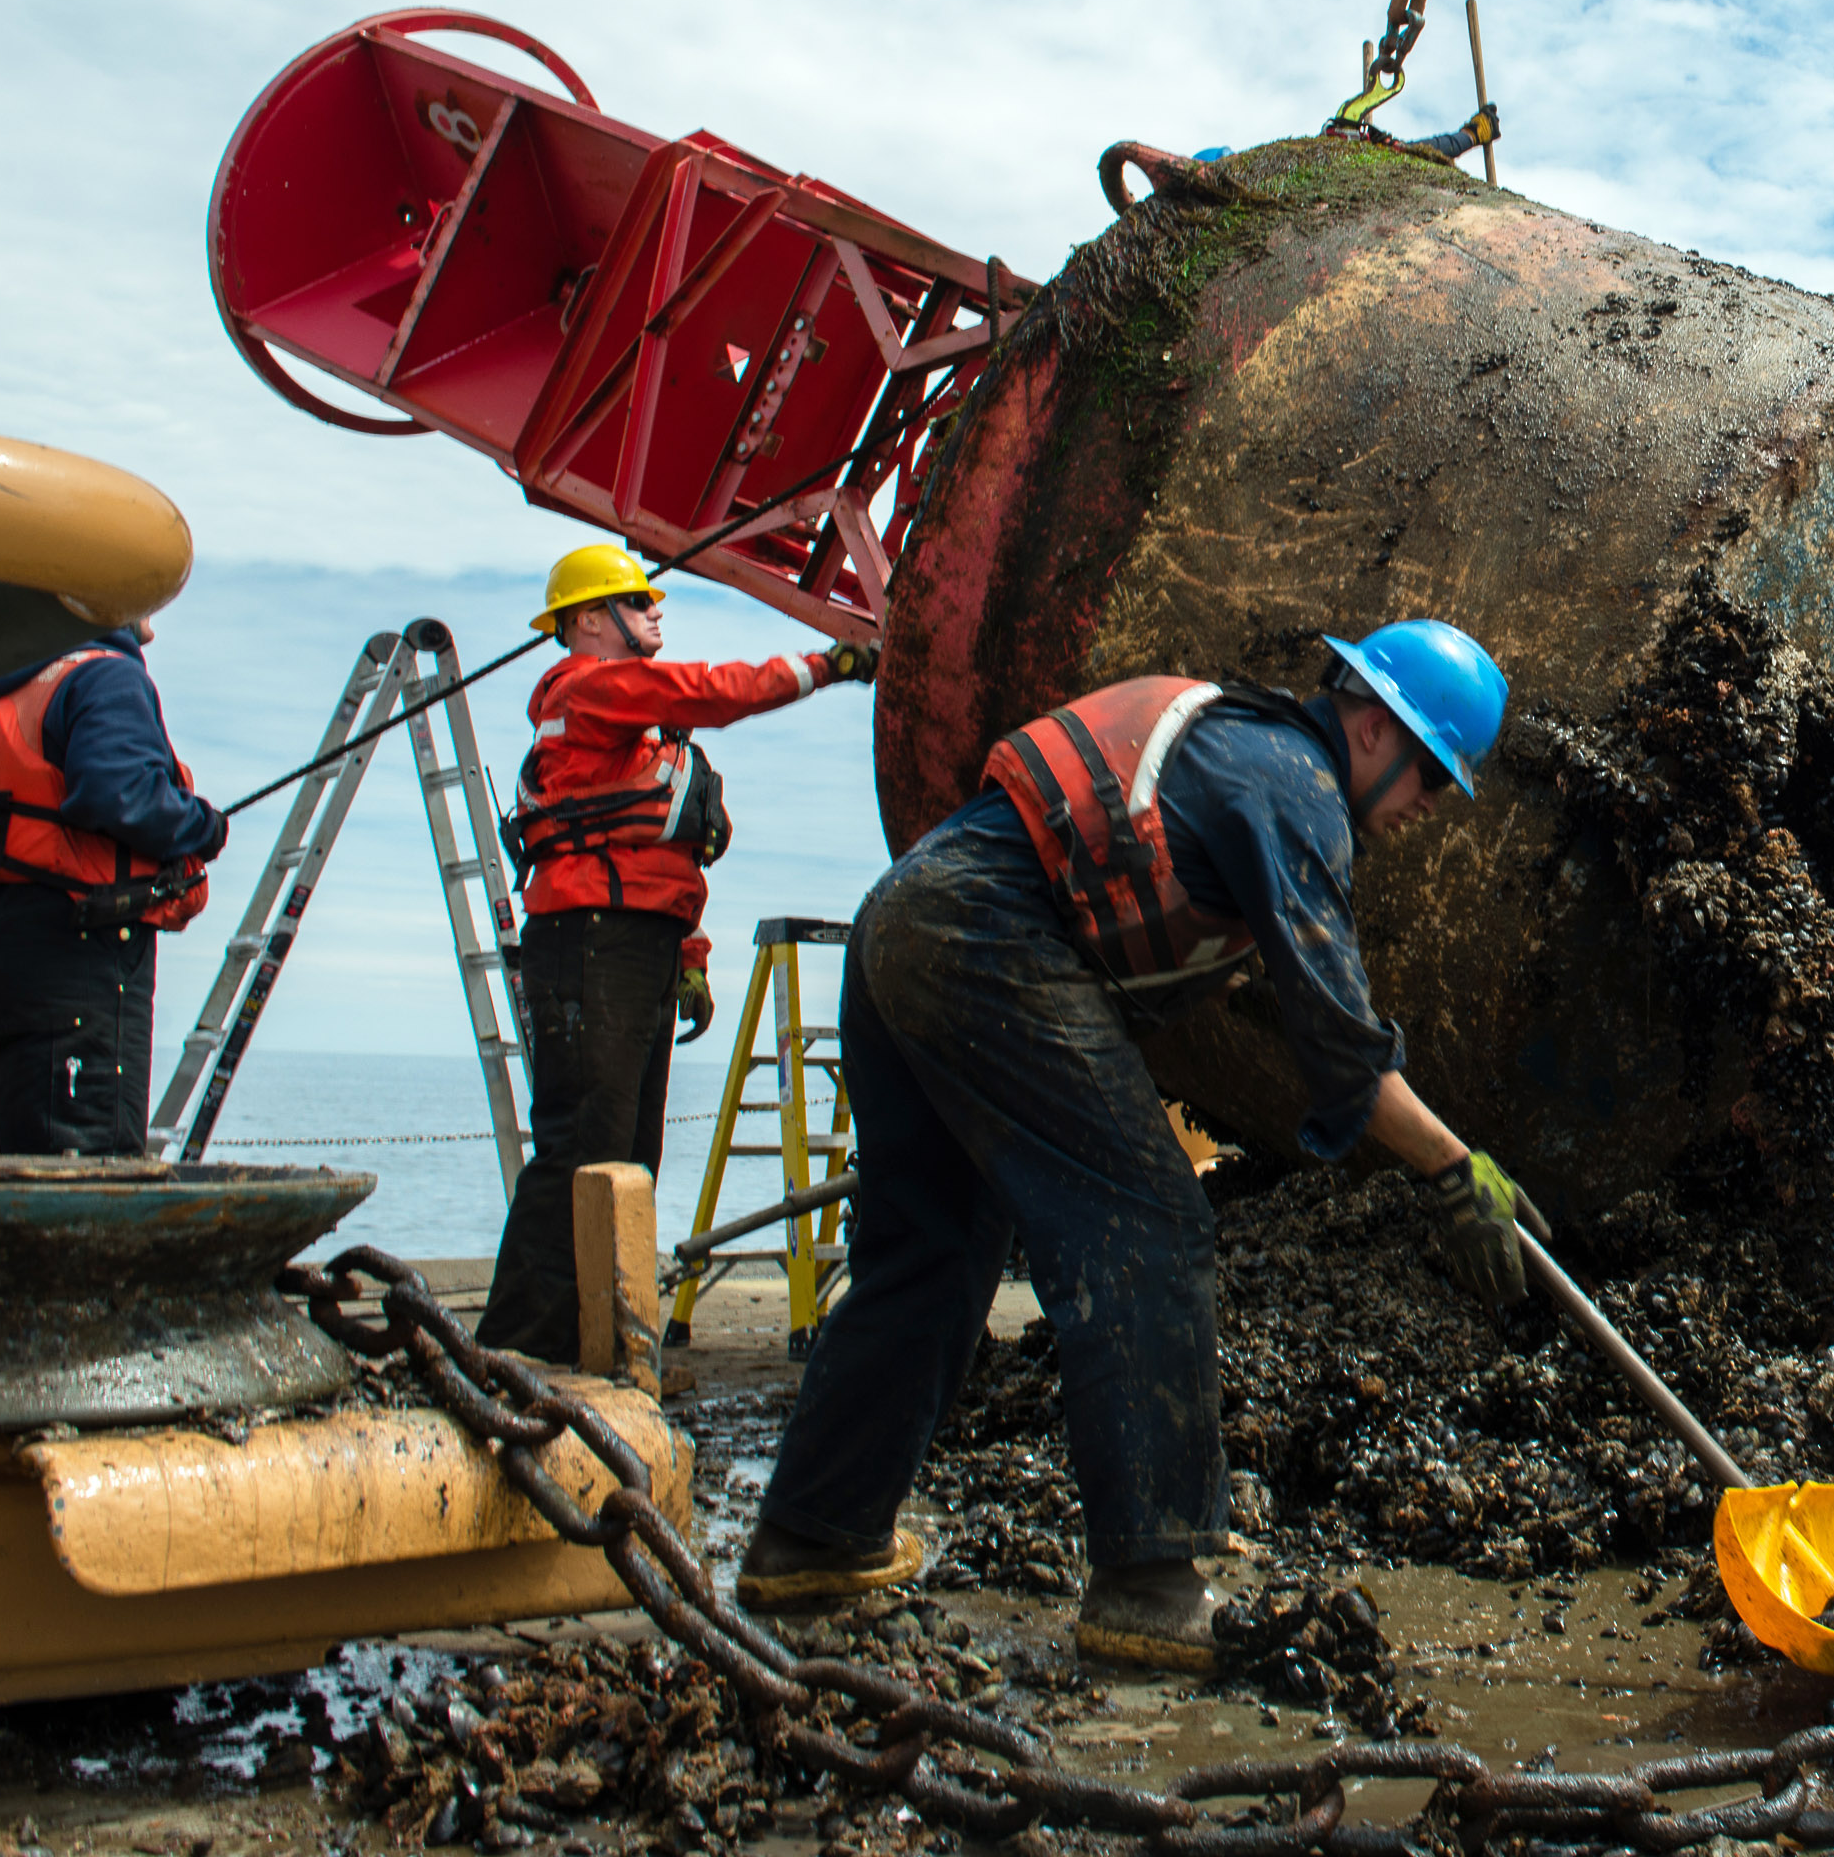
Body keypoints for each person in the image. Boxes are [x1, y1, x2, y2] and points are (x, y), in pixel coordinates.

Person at [739, 619, 1532, 1672]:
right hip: (984, 942)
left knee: (930, 1252)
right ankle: (1151, 1585)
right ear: (1376, 728)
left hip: (906, 922)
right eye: (1432, 776)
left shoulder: (1230, 749)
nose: (1428, 811)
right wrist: (1451, 1164)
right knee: (1150, 1224)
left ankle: (813, 1536)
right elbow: (1343, 1046)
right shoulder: (1296, 787)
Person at [481, 546, 874, 1365]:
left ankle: (596, 1345)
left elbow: (669, 855)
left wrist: (690, 955)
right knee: (583, 1149)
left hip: (633, 943)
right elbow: (711, 691)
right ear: (591, 620)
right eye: (636, 600)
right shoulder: (589, 690)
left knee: (628, 1157)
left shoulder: (633, 728)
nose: (655, 610)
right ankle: (519, 1349)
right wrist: (825, 667)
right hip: (590, 943)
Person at [0, 624, 229, 1155]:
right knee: (87, 1177)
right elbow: (117, 792)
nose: (153, 622)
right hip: (72, 964)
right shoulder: (105, 674)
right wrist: (204, 826)